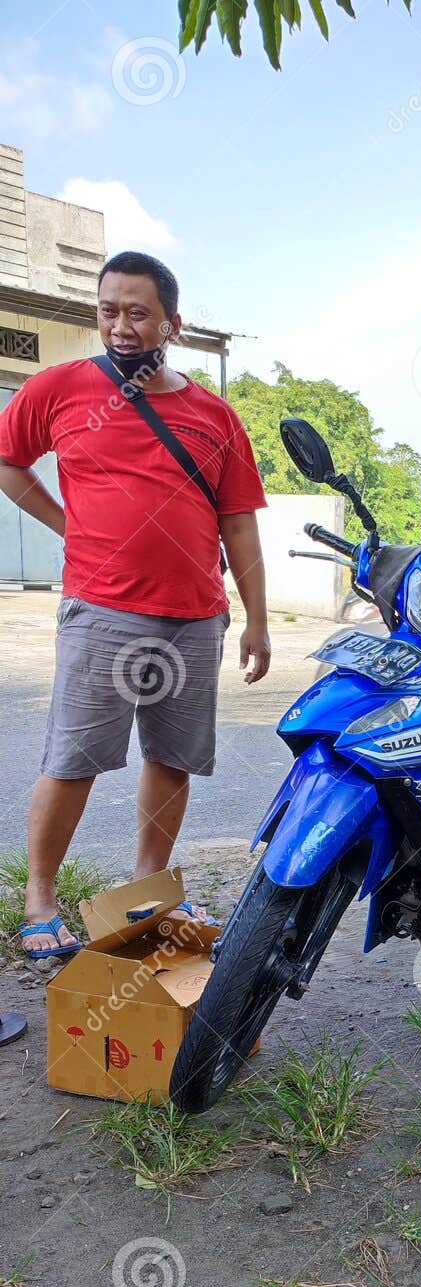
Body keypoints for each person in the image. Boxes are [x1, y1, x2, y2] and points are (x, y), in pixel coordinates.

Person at [0, 251, 270, 957]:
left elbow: (239, 521)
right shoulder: (59, 388)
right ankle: (39, 900)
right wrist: (66, 523)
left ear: (171, 324)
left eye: (138, 312)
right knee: (74, 757)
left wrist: (259, 620)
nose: (121, 325)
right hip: (103, 608)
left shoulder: (215, 416)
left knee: (173, 756)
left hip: (194, 615)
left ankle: (147, 890)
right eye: (108, 310)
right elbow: (8, 460)